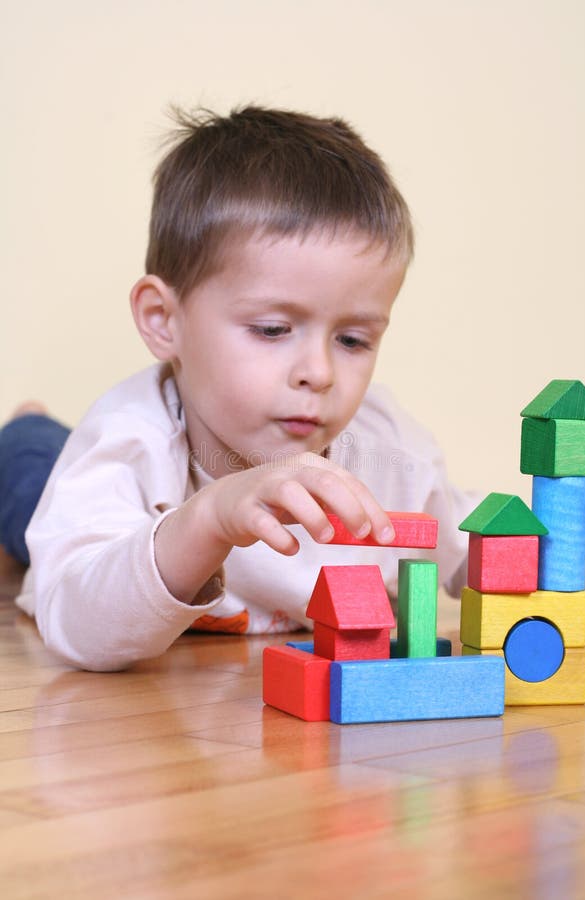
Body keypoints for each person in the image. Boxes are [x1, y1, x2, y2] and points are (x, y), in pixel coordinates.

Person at [2, 106, 477, 671]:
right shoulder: (128, 442)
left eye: (352, 340)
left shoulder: (390, 451)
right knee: (29, 475)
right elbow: (81, 629)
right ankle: (28, 427)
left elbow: (482, 548)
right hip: (94, 506)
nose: (319, 373)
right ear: (164, 320)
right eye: (273, 330)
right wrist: (208, 519)